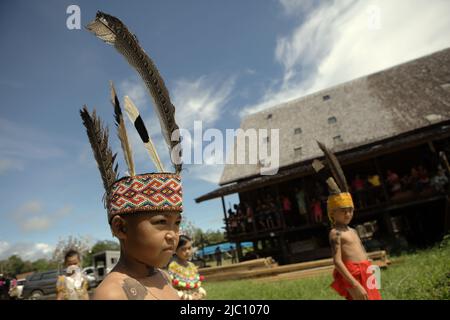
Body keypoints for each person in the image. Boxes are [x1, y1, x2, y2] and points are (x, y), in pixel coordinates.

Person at [315, 142, 381, 300]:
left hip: (366, 268)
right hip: (352, 273)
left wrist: (368, 262)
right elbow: (337, 262)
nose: (348, 213)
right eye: (343, 210)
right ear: (332, 212)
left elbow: (360, 249)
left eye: (350, 209)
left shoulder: (352, 230)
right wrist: (355, 284)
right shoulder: (335, 233)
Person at [168, 235, 206, 300]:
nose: (187, 251)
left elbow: (196, 283)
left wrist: (200, 292)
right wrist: (189, 297)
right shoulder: (173, 266)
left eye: (189, 248)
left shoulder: (192, 265)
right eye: (183, 249)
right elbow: (171, 288)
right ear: (175, 250)